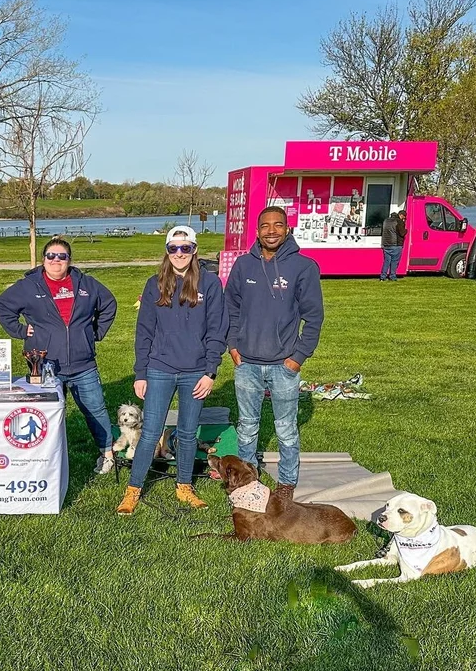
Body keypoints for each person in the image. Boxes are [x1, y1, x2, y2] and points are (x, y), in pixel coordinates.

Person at [116, 226, 227, 515]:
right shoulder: (155, 284)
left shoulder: (211, 285)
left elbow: (217, 330)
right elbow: (144, 332)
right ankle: (133, 490)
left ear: (194, 250)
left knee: (188, 434)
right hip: (159, 369)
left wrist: (210, 371)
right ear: (167, 251)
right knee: (151, 431)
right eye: (174, 248)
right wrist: (141, 372)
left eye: (185, 248)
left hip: (196, 372)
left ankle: (184, 486)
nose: (179, 253)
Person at [0, 238, 118, 474]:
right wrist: (20, 330)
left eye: (62, 256)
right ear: (43, 259)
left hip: (84, 364)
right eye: (51, 255)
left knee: (96, 409)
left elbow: (109, 304)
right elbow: (2, 307)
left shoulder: (86, 284)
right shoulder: (29, 285)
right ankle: (40, 460)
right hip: (45, 366)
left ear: (69, 260)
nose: (56, 260)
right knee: (42, 414)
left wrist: (94, 333)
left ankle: (107, 454)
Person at [224, 206, 324, 500]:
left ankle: (287, 483)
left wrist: (298, 357)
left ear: (287, 229)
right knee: (247, 427)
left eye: (278, 225)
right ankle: (246, 480)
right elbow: (230, 309)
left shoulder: (303, 267)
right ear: (256, 231)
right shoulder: (243, 265)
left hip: (284, 364)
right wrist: (233, 345)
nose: (271, 231)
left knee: (285, 429)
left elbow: (314, 317)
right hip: (247, 363)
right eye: (265, 226)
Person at [380, 210, 406, 281]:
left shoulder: (386, 221)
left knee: (386, 261)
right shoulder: (399, 221)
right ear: (401, 215)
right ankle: (392, 276)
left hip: (386, 244)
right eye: (404, 217)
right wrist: (406, 230)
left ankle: (383, 277)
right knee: (394, 261)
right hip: (395, 244)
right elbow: (402, 233)